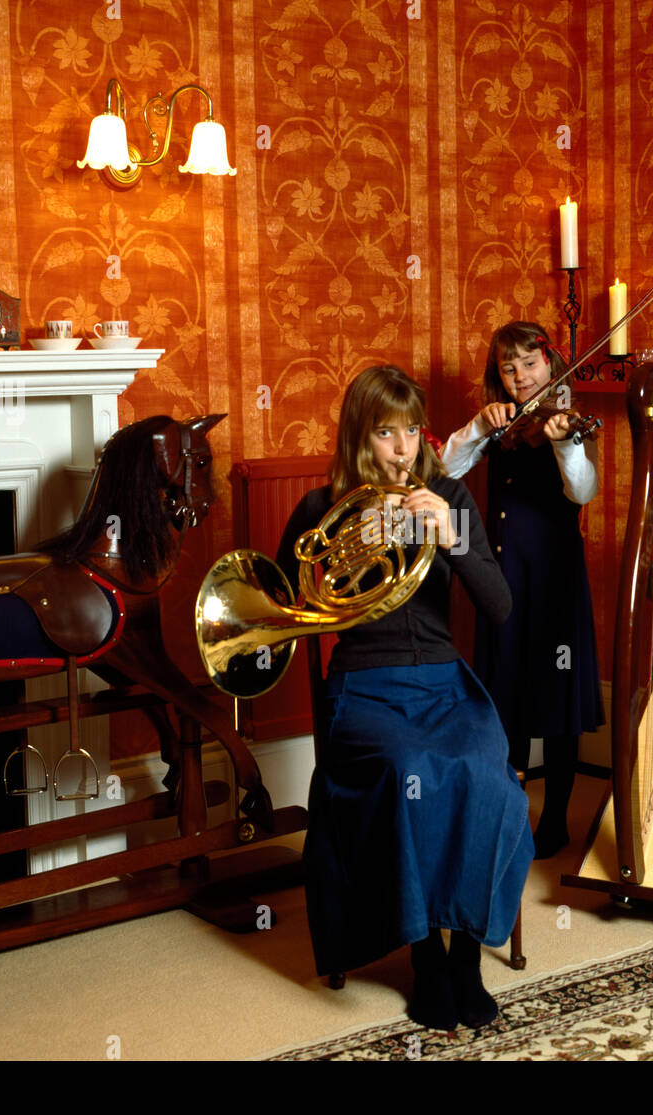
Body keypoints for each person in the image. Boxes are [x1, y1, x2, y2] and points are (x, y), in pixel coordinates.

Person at [275, 364, 532, 1030]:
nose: (399, 448)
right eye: (384, 432)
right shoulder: (321, 508)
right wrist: (355, 548)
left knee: (484, 772)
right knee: (409, 771)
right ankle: (426, 956)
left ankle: (467, 953)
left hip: (446, 683)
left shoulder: (450, 498)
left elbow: (499, 606)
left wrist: (453, 536)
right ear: (360, 435)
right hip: (365, 688)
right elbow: (287, 609)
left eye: (410, 431)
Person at [441, 321, 604, 859]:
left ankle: (554, 819)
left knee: (556, 693)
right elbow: (444, 470)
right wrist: (477, 426)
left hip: (555, 577)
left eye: (530, 364)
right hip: (504, 577)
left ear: (552, 366)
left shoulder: (568, 423)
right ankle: (510, 807)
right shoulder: (500, 424)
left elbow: (581, 490)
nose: (520, 376)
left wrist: (563, 445)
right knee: (505, 689)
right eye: (509, 369)